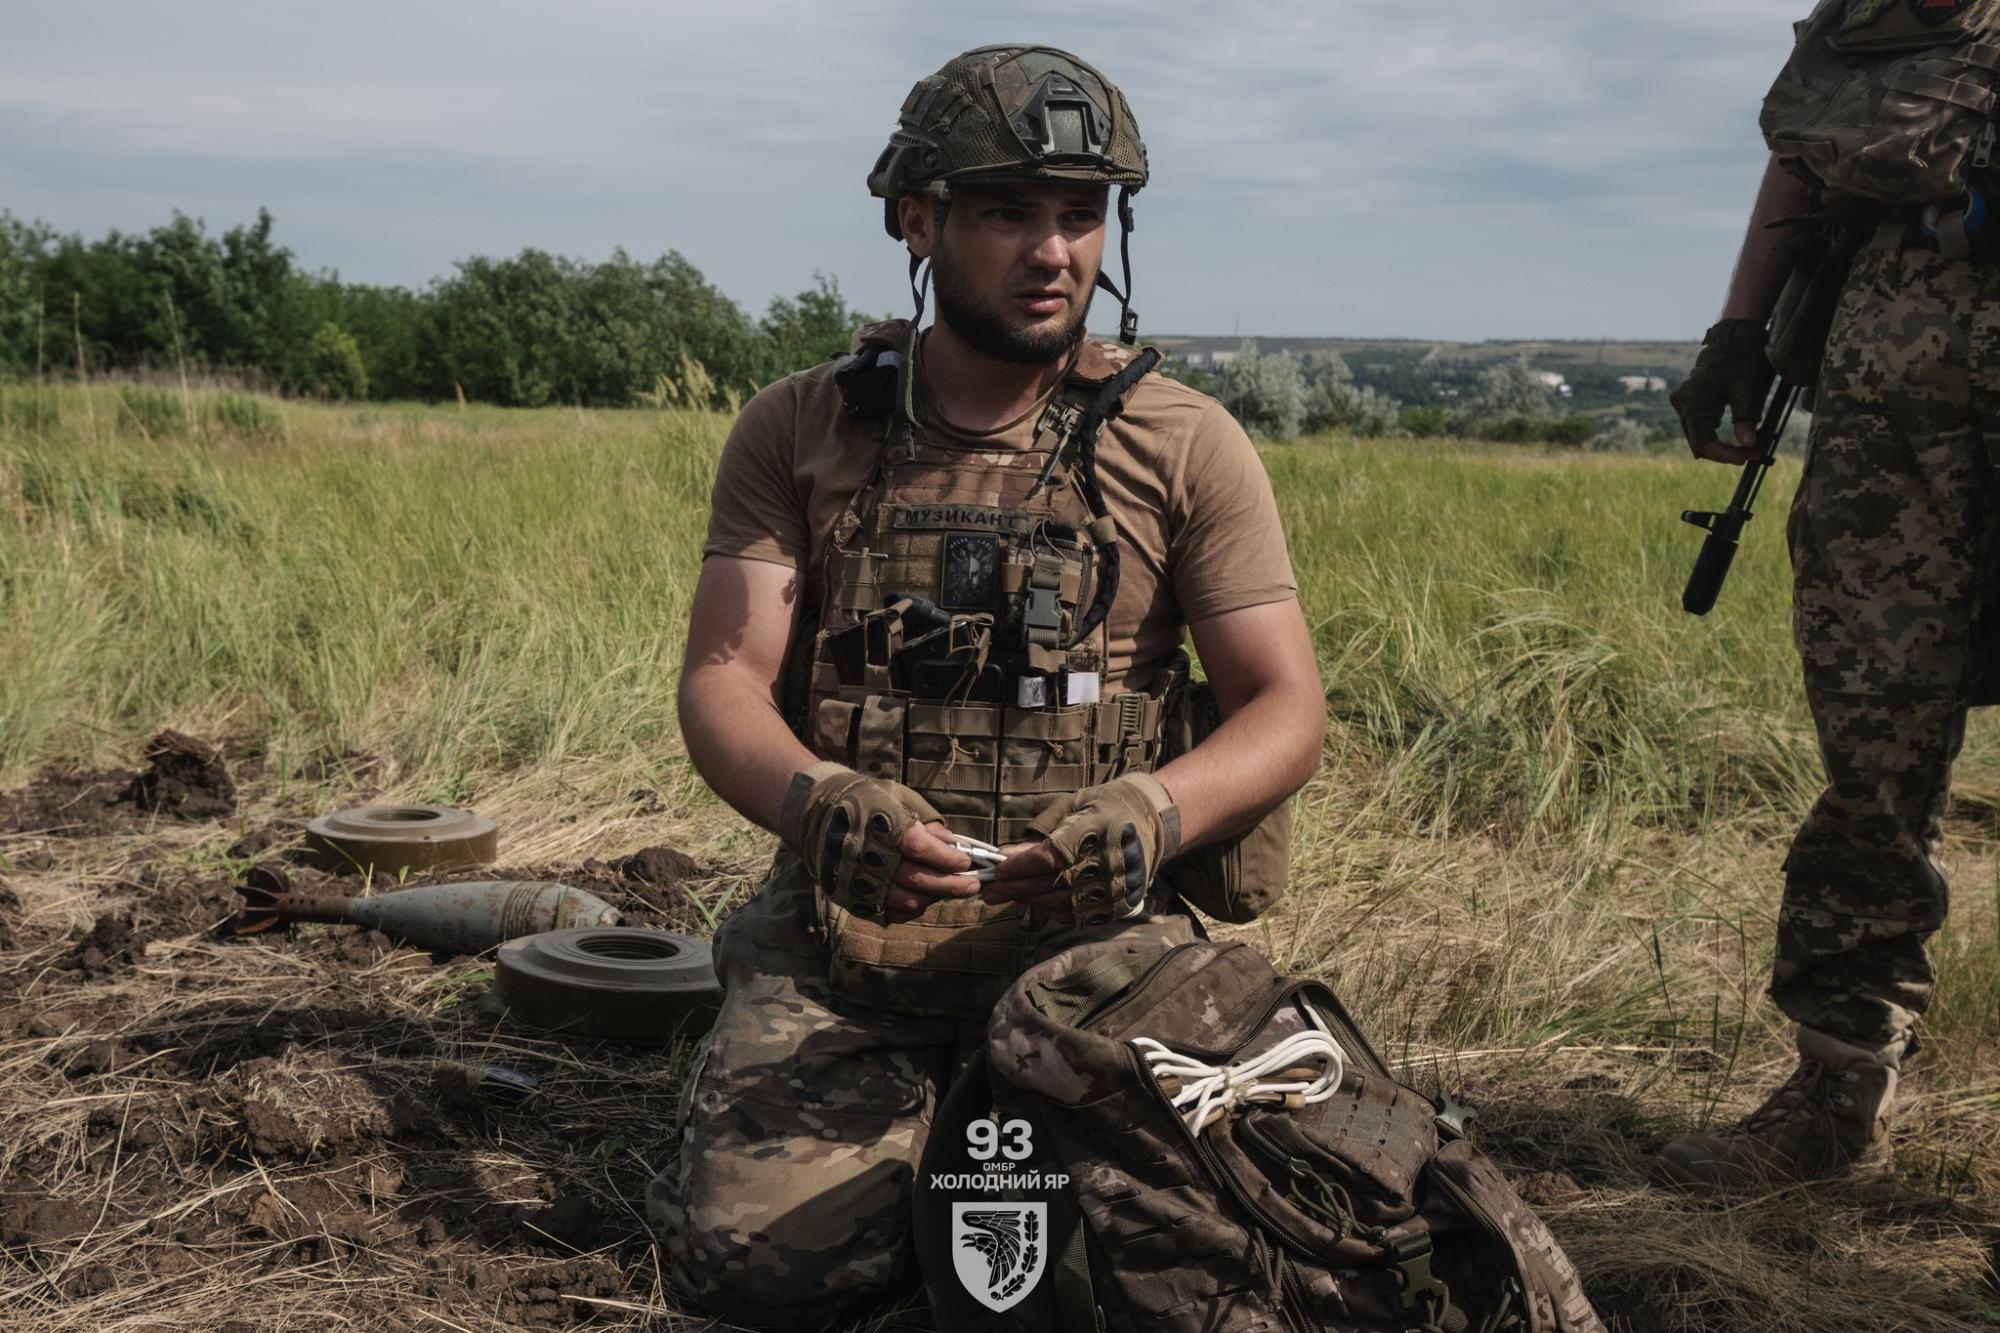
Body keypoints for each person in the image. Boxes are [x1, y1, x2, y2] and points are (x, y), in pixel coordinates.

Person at [645, 45, 1326, 1327]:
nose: (1051, 252)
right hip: (849, 944)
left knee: (1197, 1264)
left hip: (1099, 946)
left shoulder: (1180, 442)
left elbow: (1283, 705)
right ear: (917, 220)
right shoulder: (801, 428)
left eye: (1080, 214)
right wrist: (820, 804)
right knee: (763, 1273)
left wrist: (1149, 813)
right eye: (1007, 212)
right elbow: (724, 675)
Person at [1657, 0, 2000, 1189]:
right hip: (1886, 369)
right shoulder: (1875, 11)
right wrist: (1738, 330)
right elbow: (1801, 156)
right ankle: (1838, 1092)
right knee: (1870, 736)